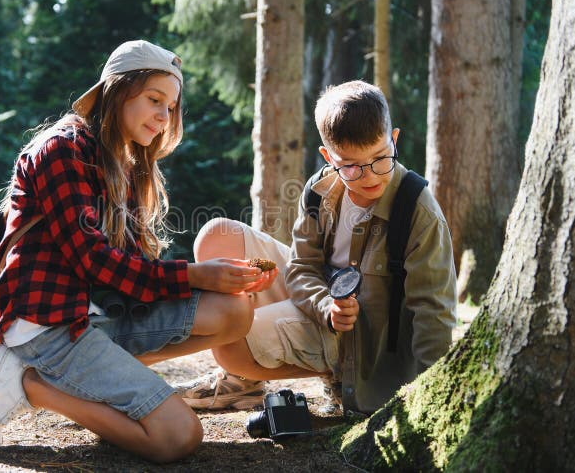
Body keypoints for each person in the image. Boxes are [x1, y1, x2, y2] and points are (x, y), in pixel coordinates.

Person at [0, 40, 276, 463]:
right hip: (51, 324)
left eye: (170, 107)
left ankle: (101, 381)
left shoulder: (122, 161)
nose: (164, 117)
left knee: (234, 311)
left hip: (100, 314)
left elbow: (131, 273)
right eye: (154, 100)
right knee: (178, 437)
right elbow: (92, 260)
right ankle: (32, 384)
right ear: (118, 90)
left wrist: (218, 278)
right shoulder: (61, 150)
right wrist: (194, 275)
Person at [175, 80, 456, 415]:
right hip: (324, 307)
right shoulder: (320, 191)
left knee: (229, 344)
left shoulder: (417, 209)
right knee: (216, 236)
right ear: (328, 157)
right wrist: (326, 306)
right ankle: (243, 385)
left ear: (393, 140)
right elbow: (302, 267)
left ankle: (339, 375)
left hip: (365, 340)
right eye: (351, 166)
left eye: (380, 159)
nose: (369, 177)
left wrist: (429, 395)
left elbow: (433, 311)